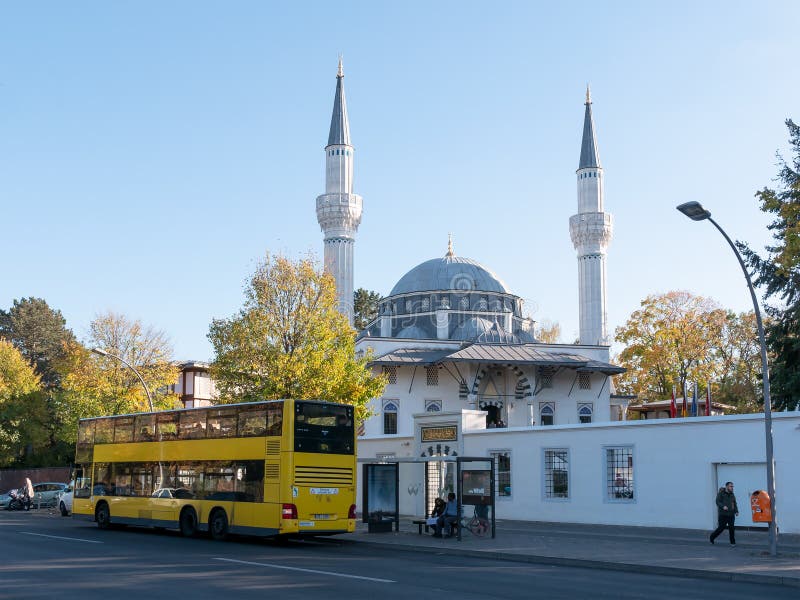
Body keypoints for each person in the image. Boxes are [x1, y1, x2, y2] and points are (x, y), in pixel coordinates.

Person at [710, 481, 739, 546]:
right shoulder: (721, 493)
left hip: (731, 514)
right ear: (726, 487)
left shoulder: (732, 494)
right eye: (730, 486)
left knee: (731, 528)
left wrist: (736, 511)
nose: (732, 488)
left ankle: (732, 542)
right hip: (723, 515)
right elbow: (717, 501)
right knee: (721, 528)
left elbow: (734, 503)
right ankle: (712, 537)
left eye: (732, 486)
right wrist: (723, 506)